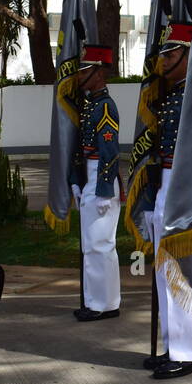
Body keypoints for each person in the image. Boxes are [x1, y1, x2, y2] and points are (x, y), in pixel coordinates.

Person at [141, 23, 192, 377]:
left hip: (186, 187)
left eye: (171, 53)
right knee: (164, 269)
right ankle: (172, 343)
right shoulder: (170, 95)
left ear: (188, 54)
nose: (163, 60)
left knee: (182, 271)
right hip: (167, 183)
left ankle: (191, 350)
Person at [72, 45, 122, 322]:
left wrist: (103, 189)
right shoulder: (91, 103)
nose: (79, 75)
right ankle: (96, 301)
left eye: (85, 70)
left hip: (101, 178)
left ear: (99, 73)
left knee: (101, 243)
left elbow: (110, 151)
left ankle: (105, 304)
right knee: (91, 244)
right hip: (90, 176)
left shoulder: (105, 106)